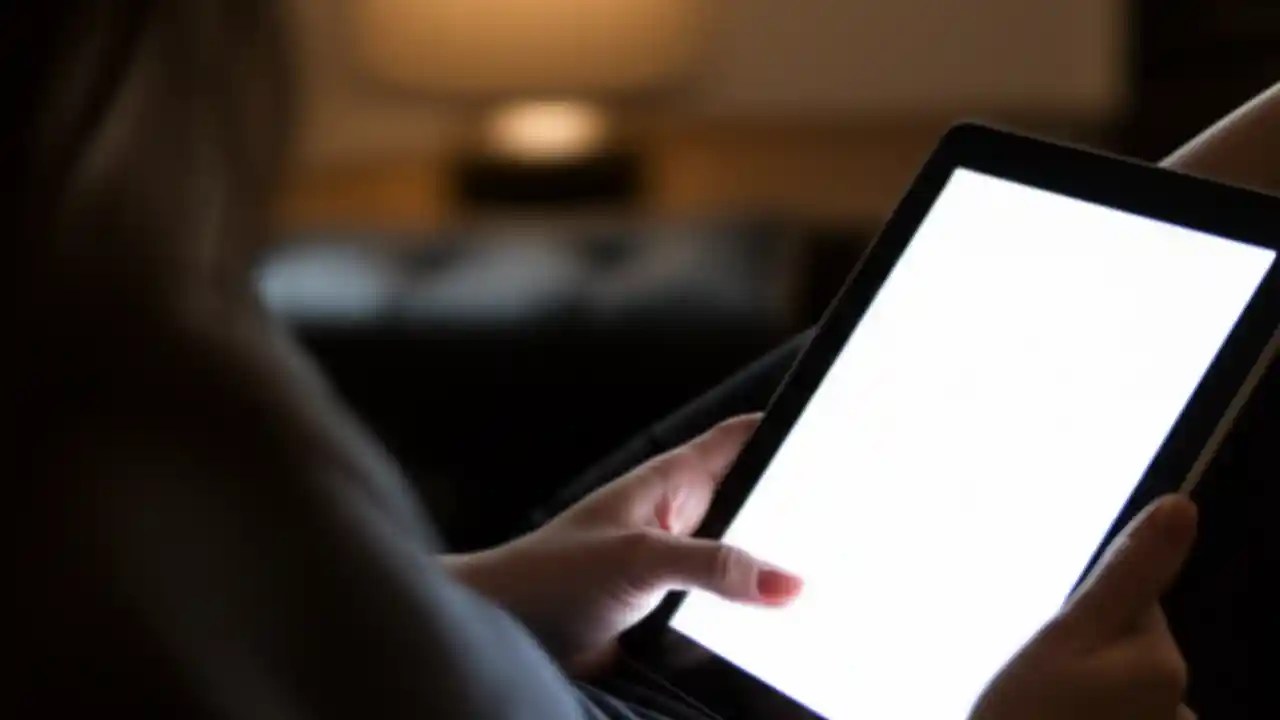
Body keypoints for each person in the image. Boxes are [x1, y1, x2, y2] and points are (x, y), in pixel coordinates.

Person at [9, 2, 1277, 717]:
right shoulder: (108, 446)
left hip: (569, 656)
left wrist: (488, 593)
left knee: (1083, 295)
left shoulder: (114, 393)